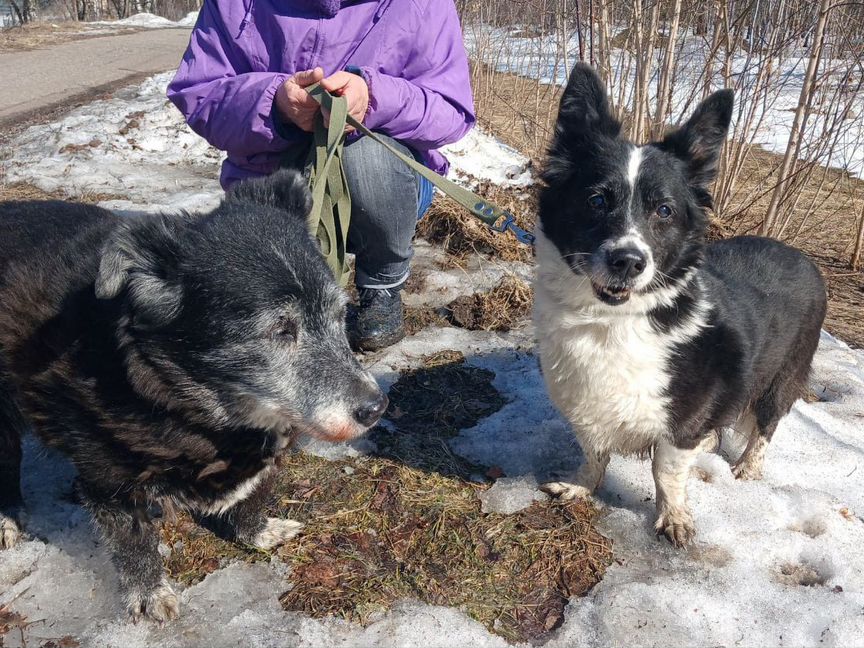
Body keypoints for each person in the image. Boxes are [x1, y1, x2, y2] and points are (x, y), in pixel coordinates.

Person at [167, 0, 476, 351]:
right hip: (269, 173)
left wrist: (374, 98)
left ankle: (382, 283)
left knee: (366, 158)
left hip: (387, 179)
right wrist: (276, 104)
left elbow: (452, 110)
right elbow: (197, 93)